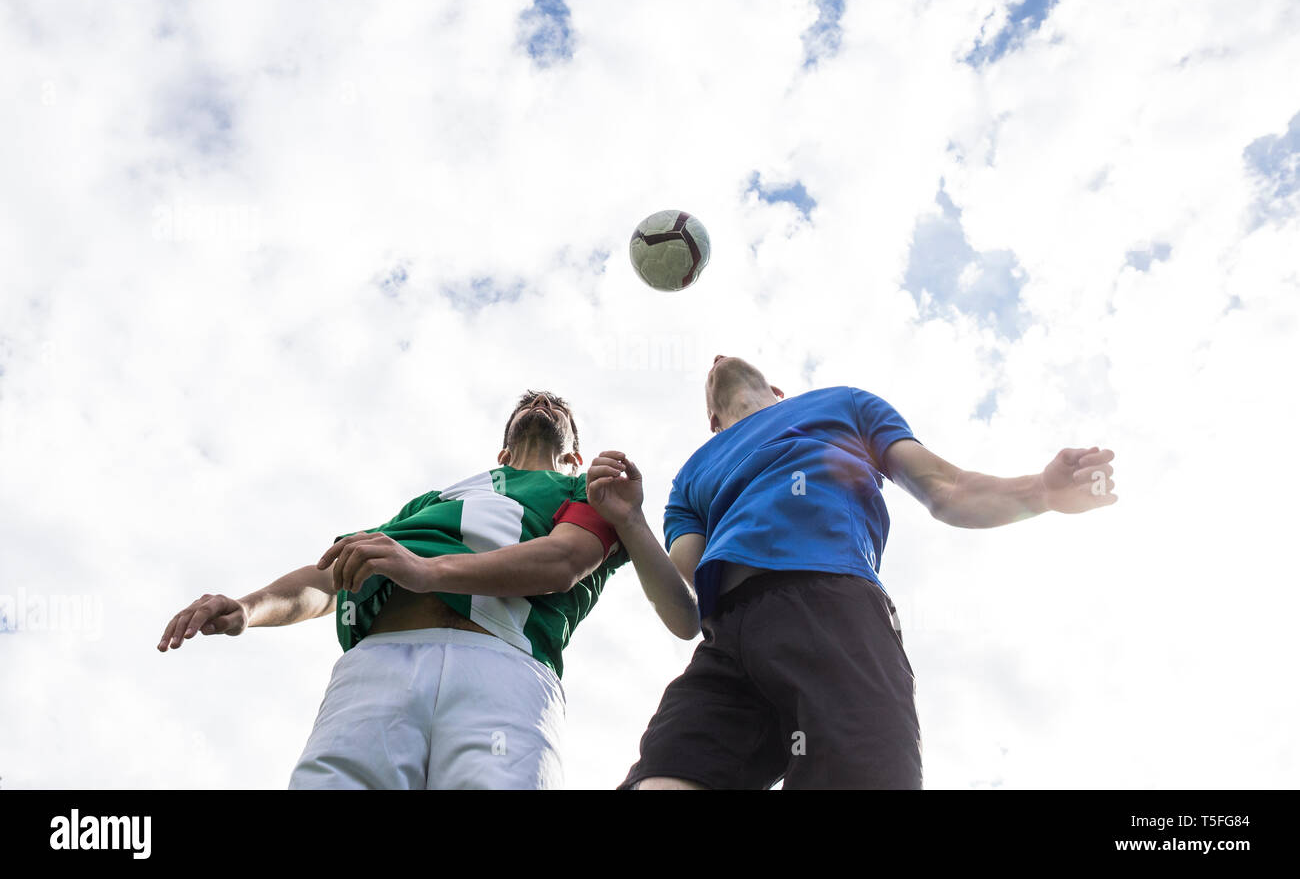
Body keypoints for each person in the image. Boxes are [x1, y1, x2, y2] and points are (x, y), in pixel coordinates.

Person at [586, 355, 1117, 790]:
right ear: (712, 422)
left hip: (834, 609)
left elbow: (946, 489)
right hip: (726, 640)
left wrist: (1042, 492)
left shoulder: (845, 404)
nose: (718, 358)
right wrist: (631, 521)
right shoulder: (691, 477)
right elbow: (683, 610)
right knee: (665, 780)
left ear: (780, 391)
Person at [157, 389, 698, 789]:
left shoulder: (595, 489)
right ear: (502, 453)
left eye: (559, 409)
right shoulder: (432, 501)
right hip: (376, 668)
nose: (543, 404)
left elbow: (563, 561)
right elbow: (334, 574)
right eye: (527, 405)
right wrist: (247, 609)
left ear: (575, 455)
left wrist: (425, 571)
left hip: (505, 672)